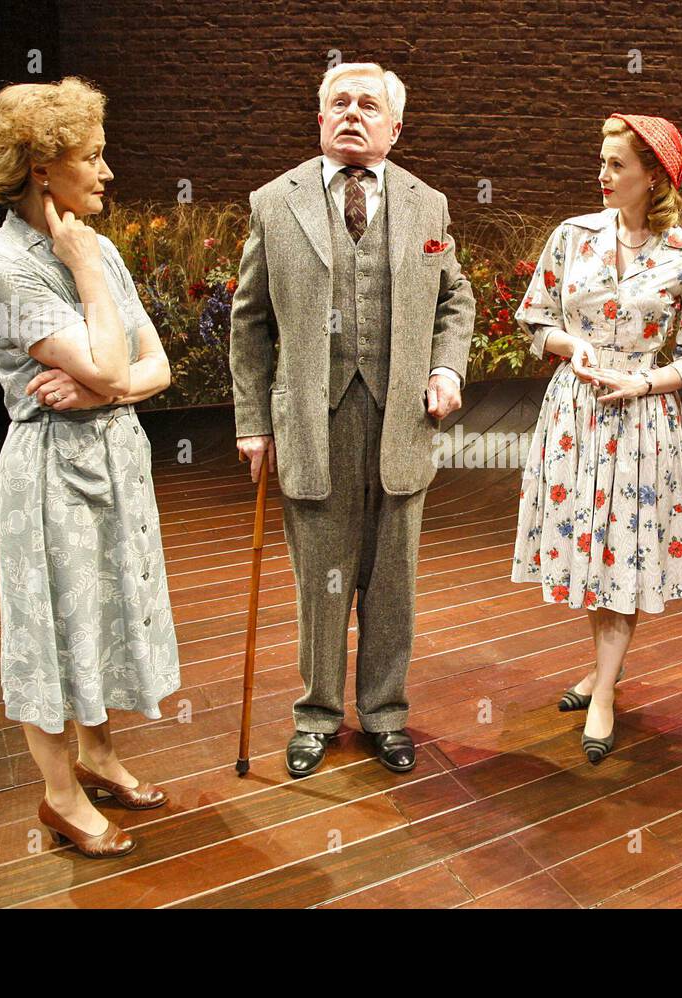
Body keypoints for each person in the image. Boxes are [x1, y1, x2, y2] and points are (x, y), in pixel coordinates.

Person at [229, 62, 474, 778]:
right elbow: (248, 322)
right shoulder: (276, 202)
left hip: (401, 418)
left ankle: (387, 713)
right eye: (339, 102)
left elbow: (454, 301)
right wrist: (253, 421)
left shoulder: (428, 205)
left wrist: (446, 367)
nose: (352, 113)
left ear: (395, 128)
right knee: (322, 580)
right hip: (312, 418)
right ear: (319, 119)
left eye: (369, 105)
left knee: (391, 580)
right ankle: (316, 714)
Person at [0, 76, 180, 858]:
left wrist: (97, 393)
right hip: (51, 474)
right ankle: (59, 796)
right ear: (42, 168)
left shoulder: (102, 244)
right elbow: (119, 369)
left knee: (106, 611)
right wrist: (86, 274)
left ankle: (98, 754)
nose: (108, 172)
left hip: (115, 454)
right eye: (92, 157)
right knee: (53, 624)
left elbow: (153, 368)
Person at [512, 114, 682, 764]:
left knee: (625, 557)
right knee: (593, 550)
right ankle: (601, 669)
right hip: (575, 417)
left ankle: (604, 689)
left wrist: (647, 383)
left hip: (639, 422)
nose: (601, 175)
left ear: (653, 176)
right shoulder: (571, 237)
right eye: (602, 161)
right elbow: (534, 317)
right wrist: (567, 343)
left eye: (616, 165)